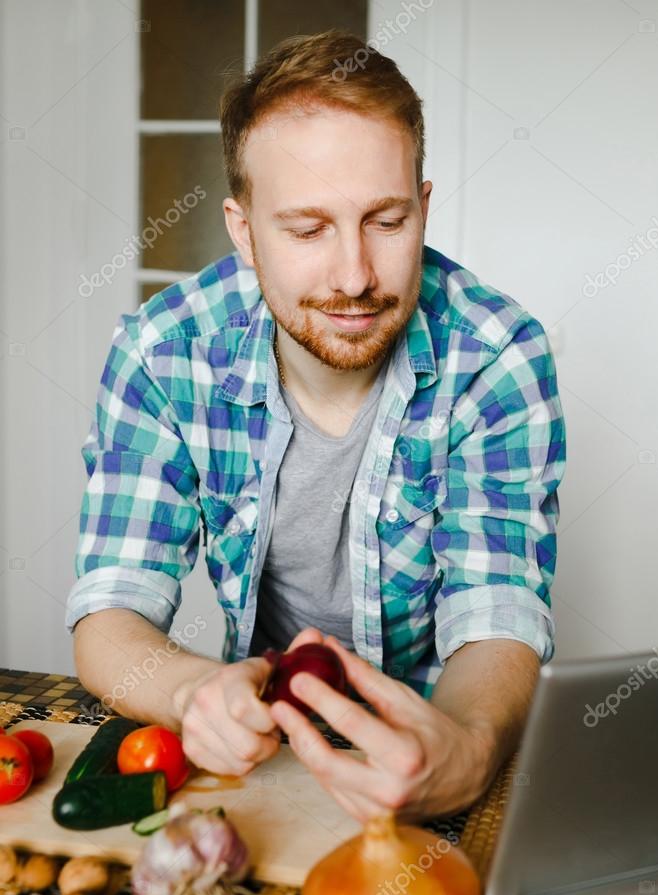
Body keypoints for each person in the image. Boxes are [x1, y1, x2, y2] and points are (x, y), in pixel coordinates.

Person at [65, 30, 566, 824]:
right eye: (306, 230)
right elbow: (111, 610)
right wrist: (194, 691)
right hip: (260, 759)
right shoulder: (162, 353)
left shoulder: (497, 355)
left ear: (424, 207)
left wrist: (466, 752)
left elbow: (498, 609)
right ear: (243, 229)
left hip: (431, 746)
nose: (355, 275)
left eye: (387, 221)